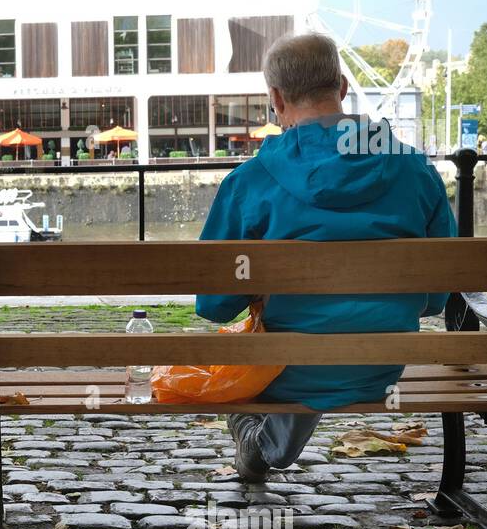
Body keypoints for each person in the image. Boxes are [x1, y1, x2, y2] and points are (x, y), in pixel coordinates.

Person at [195, 32, 456, 483]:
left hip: (287, 371)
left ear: (275, 99)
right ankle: (266, 448)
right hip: (381, 367)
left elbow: (213, 304)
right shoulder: (415, 170)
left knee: (298, 345)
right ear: (342, 87)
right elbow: (434, 297)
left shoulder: (248, 182)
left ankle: (262, 447)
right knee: (332, 333)